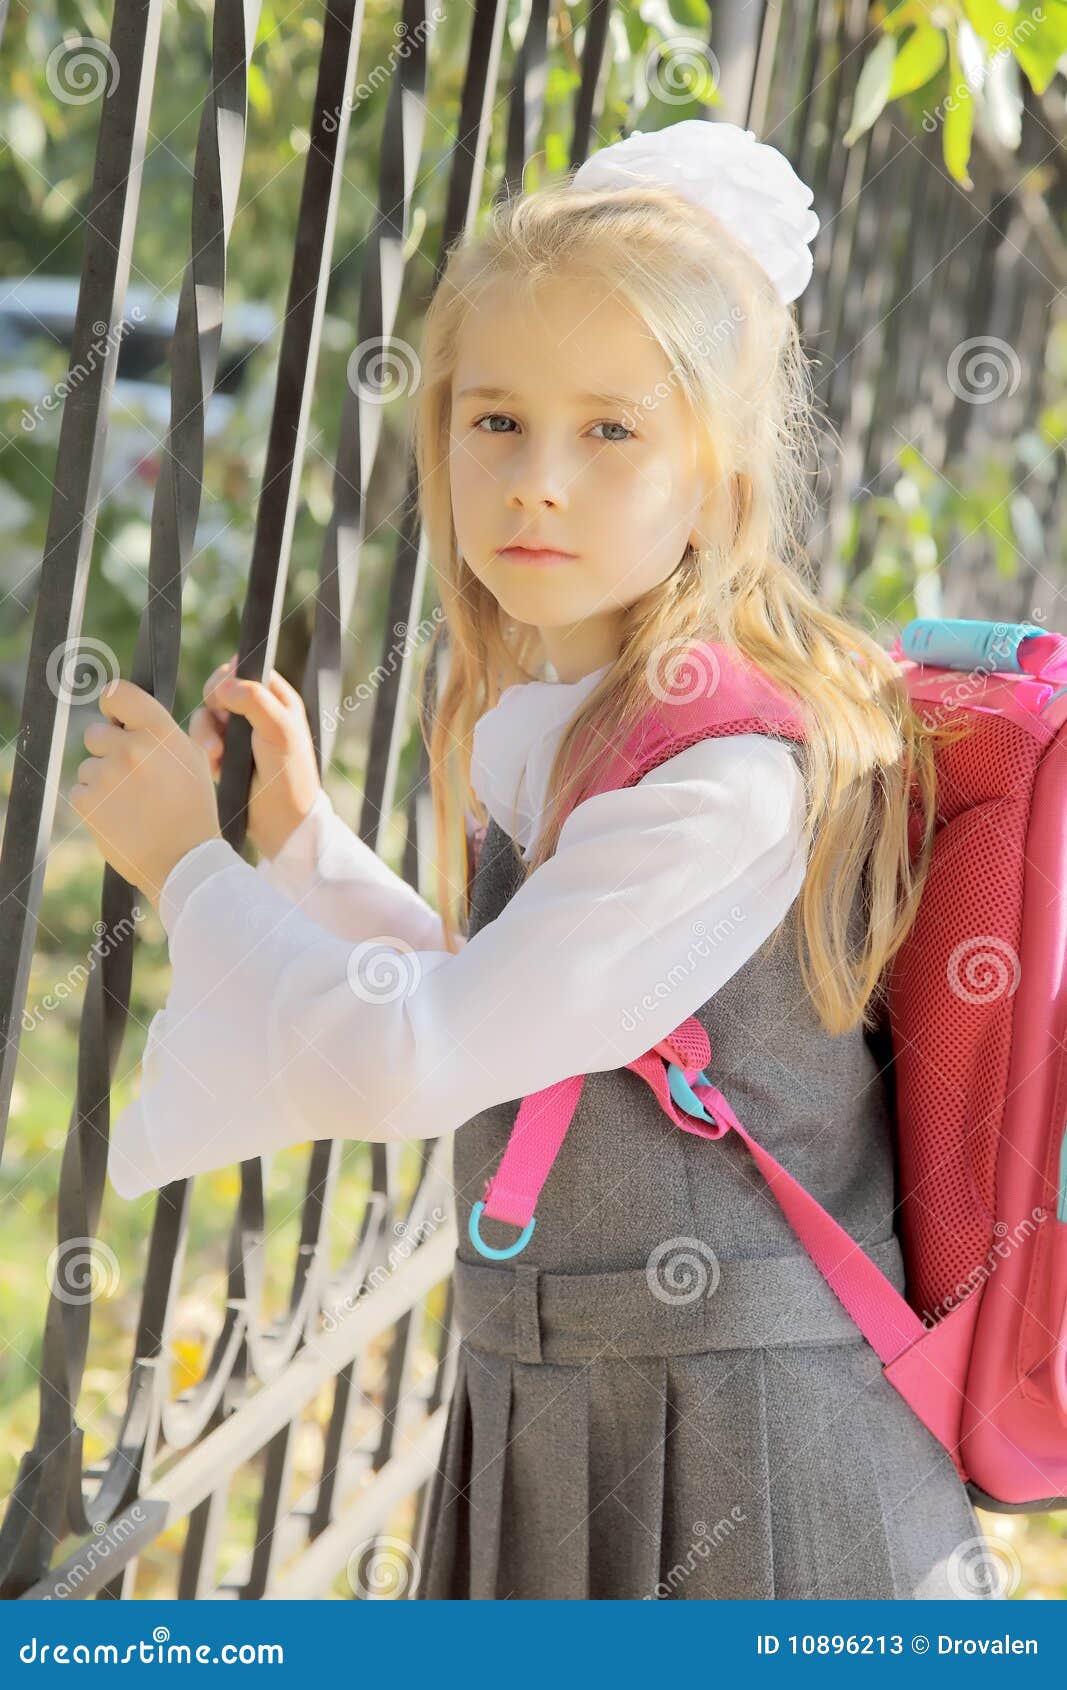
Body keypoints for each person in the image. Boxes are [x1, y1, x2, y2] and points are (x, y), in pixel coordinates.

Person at [70, 122, 996, 1601]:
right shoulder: (597, 725)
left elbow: (422, 1056)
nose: (538, 480)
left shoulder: (722, 785)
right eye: (495, 420)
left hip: (752, 1456)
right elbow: (532, 1021)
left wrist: (191, 872)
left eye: (611, 430)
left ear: (724, 480)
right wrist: (302, 852)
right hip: (577, 1402)